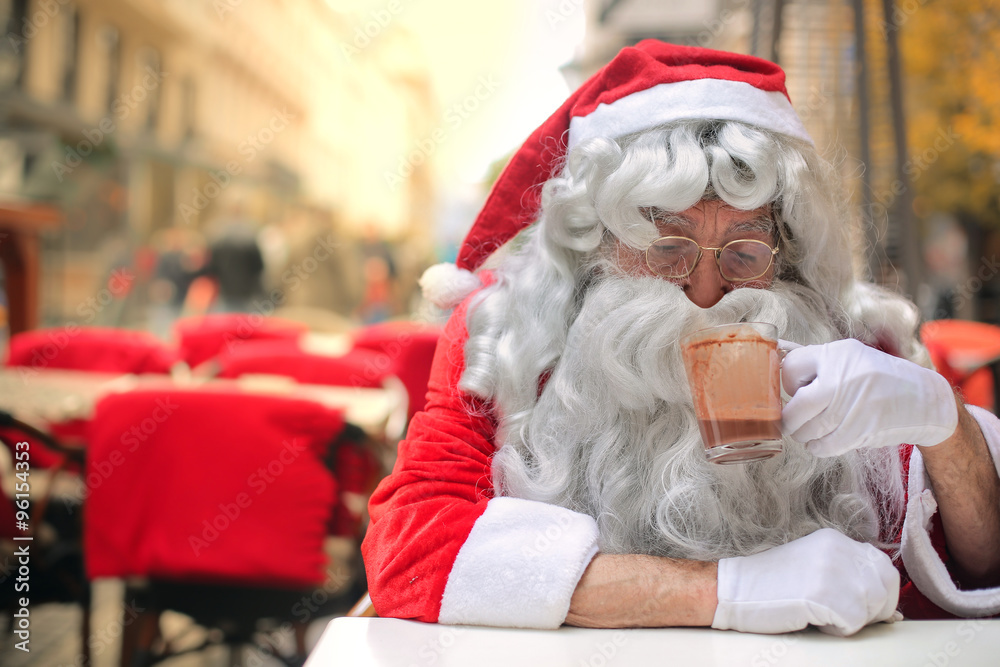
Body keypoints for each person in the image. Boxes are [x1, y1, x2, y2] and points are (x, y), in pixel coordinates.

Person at [361, 41, 1000, 635]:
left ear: (788, 253)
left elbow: (983, 562)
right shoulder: (503, 339)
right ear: (599, 243)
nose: (706, 291)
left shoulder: (843, 337)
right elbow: (414, 552)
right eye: (667, 247)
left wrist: (945, 425)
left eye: (745, 252)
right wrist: (720, 591)